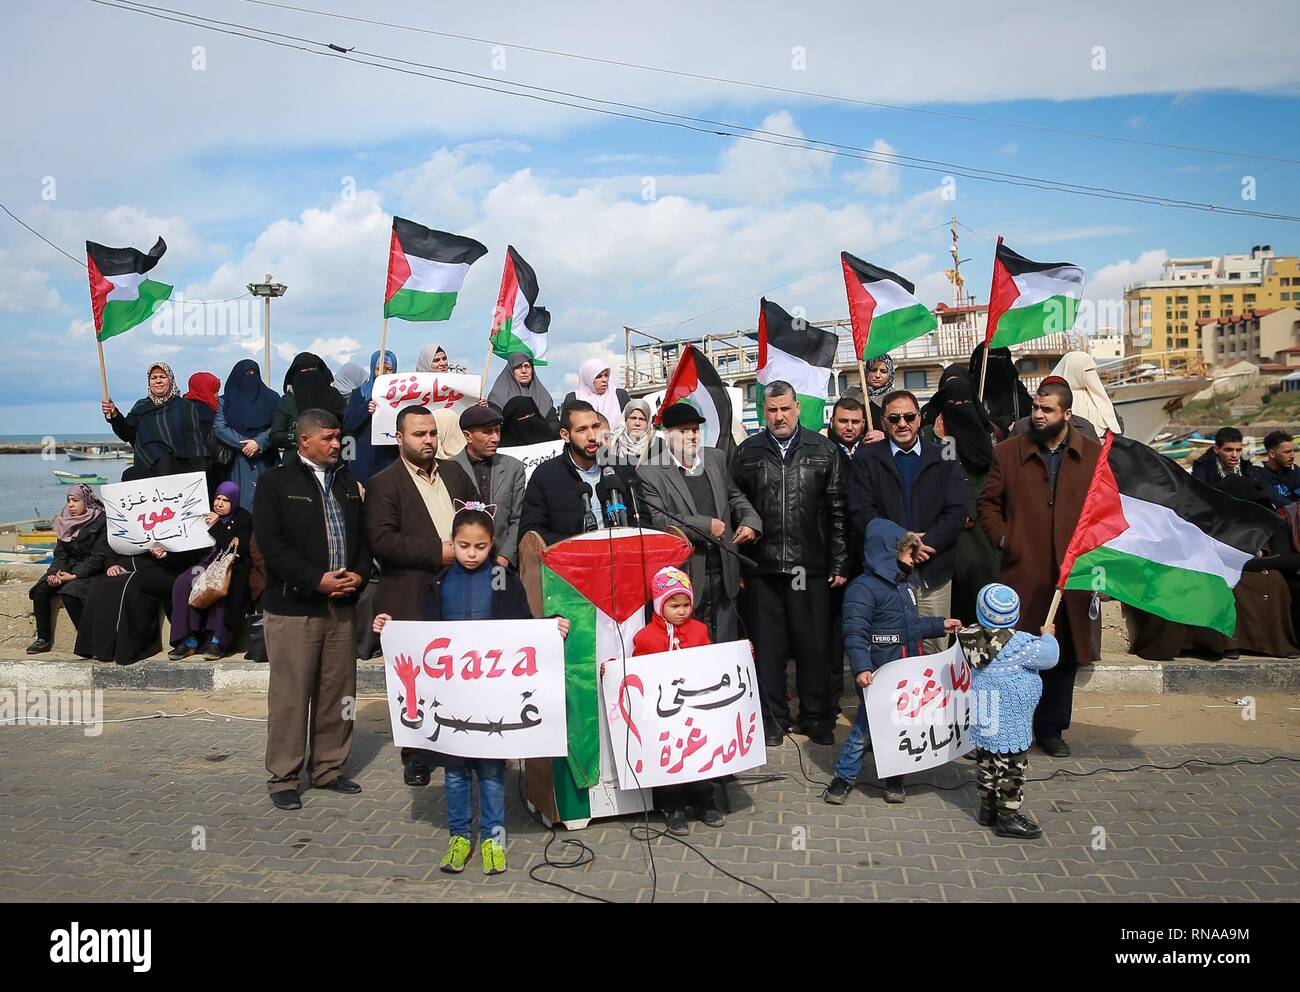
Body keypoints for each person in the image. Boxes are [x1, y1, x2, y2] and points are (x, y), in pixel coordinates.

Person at [372, 503, 570, 874]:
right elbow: (422, 634)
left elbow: (524, 628)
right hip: (451, 704)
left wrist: (549, 628)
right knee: (455, 772)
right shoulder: (439, 582)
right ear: (452, 543)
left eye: (480, 547)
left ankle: (494, 837)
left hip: (492, 702)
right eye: (464, 546)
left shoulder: (502, 579)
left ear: (492, 544)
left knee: (493, 772)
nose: (472, 554)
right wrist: (390, 626)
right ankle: (459, 837)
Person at [977, 380, 1102, 758]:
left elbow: (1104, 511)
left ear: (1067, 414)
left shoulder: (1094, 456)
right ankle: (1014, 726)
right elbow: (987, 504)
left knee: (1061, 654)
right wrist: (1005, 539)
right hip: (1023, 573)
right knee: (1017, 651)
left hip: (1071, 575)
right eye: (1035, 407)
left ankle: (1052, 729)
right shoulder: (1008, 452)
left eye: (1046, 410)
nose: (1037, 414)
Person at [254, 408, 370, 811]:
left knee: (337, 692)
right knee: (291, 694)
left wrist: (357, 573)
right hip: (294, 608)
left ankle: (328, 768)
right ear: (304, 440)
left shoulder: (348, 483)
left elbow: (363, 538)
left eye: (338, 438)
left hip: (341, 607)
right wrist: (314, 579)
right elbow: (271, 546)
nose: (337, 444)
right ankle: (284, 776)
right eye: (329, 438)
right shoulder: (275, 483)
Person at [730, 380, 849, 747]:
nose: (779, 416)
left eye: (785, 409)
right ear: (762, 412)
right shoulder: (748, 452)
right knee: (768, 647)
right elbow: (735, 507)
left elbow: (838, 512)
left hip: (807, 566)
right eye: (772, 410)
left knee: (812, 646)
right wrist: (740, 566)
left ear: (797, 408)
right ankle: (772, 718)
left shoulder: (824, 450)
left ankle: (816, 717)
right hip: (762, 567)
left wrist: (840, 562)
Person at [365, 405, 475, 782]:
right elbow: (382, 541)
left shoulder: (456, 473)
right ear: (399, 438)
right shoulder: (384, 482)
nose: (428, 440)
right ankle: (416, 753)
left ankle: (463, 742)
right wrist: (438, 552)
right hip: (410, 595)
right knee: (413, 677)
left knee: (457, 670)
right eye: (418, 434)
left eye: (431, 433)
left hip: (460, 591)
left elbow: (477, 517)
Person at [822, 520, 960, 806]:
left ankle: (894, 778)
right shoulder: (863, 589)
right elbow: (854, 632)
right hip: (878, 674)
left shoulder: (904, 585)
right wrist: (862, 667)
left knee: (901, 726)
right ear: (889, 551)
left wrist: (938, 625)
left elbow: (909, 629)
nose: (914, 558)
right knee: (865, 727)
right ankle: (843, 778)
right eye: (910, 552)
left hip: (904, 673)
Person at [849, 389, 967, 654]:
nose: (902, 423)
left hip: (933, 571)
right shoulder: (866, 459)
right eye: (894, 418)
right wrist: (903, 542)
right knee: (891, 652)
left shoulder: (944, 457)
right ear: (883, 423)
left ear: (920, 418)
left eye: (909, 416)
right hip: (887, 574)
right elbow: (861, 512)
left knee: (934, 651)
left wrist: (924, 543)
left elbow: (957, 511)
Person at [636, 404, 760, 642]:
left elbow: (734, 497)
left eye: (695, 430)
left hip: (724, 572)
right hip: (686, 576)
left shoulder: (715, 458)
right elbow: (661, 521)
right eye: (683, 431)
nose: (692, 436)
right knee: (693, 646)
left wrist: (750, 520)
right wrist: (706, 526)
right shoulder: (650, 472)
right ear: (667, 434)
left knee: (725, 643)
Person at [961, 583, 1059, 839]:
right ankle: (1008, 816)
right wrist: (1048, 635)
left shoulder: (969, 637)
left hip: (985, 715)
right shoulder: (1020, 644)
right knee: (1010, 769)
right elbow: (1050, 657)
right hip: (1010, 720)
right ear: (1015, 615)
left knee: (985, 762)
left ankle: (987, 809)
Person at [630, 567, 724, 834]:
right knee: (669, 758)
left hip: (695, 710)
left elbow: (714, 664)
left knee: (700, 755)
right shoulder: (646, 637)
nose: (682, 611)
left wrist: (742, 656)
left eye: (686, 605)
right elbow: (638, 673)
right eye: (674, 605)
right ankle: (672, 806)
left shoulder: (699, 631)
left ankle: (704, 801)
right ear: (660, 606)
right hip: (664, 714)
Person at [922, 373, 1001, 625]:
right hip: (943, 525)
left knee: (982, 587)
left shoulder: (989, 435)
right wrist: (940, 441)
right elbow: (933, 475)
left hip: (979, 527)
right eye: (952, 404)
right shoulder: (929, 436)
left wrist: (971, 508)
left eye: (964, 403)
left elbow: (992, 477)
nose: (959, 410)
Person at [520, 401, 643, 544]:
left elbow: (643, 519)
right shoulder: (544, 476)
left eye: (596, 427)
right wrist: (579, 545)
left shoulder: (622, 469)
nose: (592, 436)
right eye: (582, 430)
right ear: (565, 435)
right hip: (570, 562)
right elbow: (531, 534)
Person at [74, 542, 203, 665]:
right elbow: (111, 547)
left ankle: (130, 650)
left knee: (133, 583)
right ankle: (97, 648)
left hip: (166, 568)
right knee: (100, 583)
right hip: (128, 568)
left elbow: (190, 553)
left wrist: (166, 555)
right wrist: (113, 564)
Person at [167, 481, 253, 660]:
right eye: (217, 498)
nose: (219, 504)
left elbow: (238, 549)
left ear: (234, 501)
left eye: (225, 500)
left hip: (229, 567)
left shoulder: (244, 518)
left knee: (220, 587)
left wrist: (217, 526)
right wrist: (165, 551)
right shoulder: (203, 515)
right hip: (205, 564)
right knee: (183, 583)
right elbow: (189, 544)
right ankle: (188, 640)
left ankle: (218, 640)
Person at [26, 485, 109, 654]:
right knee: (41, 590)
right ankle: (43, 638)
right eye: (68, 500)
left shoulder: (101, 521)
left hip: (90, 571)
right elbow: (61, 555)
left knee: (71, 592)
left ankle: (88, 641)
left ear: (86, 501)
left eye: (75, 500)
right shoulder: (64, 520)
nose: (70, 505)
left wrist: (73, 576)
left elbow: (99, 557)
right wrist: (54, 575)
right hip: (67, 569)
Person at [101, 362, 209, 481]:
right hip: (148, 470)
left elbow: (194, 444)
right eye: (154, 378)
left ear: (171, 380)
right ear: (149, 382)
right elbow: (126, 433)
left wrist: (199, 476)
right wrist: (114, 415)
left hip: (180, 472)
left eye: (162, 377)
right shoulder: (141, 406)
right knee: (129, 475)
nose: (158, 381)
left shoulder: (185, 407)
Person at [450, 404, 526, 569]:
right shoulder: (449, 469)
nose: (495, 438)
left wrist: (505, 557)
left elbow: (517, 518)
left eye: (497, 431)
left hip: (501, 564)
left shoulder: (514, 468)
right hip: (459, 564)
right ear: (468, 436)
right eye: (487, 432)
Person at [212, 359, 280, 511]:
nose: (250, 377)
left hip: (266, 459)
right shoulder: (225, 401)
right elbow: (220, 427)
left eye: (253, 373)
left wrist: (259, 443)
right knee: (240, 508)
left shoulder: (272, 398)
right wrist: (246, 444)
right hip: (238, 461)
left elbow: (278, 424)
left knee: (268, 507)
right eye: (246, 374)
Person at [269, 353, 345, 457]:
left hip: (331, 462)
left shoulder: (333, 396)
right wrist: (300, 437)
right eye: (304, 371)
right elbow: (275, 436)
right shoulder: (288, 401)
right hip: (295, 464)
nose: (309, 374)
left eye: (313, 369)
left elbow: (347, 429)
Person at [342, 349, 399, 486]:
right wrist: (366, 409)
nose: (383, 372)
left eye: (388, 369)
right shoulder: (360, 394)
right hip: (364, 461)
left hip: (391, 459)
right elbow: (348, 424)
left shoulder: (400, 394)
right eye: (379, 368)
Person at [1048, 352, 1122, 435]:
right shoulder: (1051, 399)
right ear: (1074, 370)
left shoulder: (1099, 399)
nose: (1092, 374)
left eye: (1092, 370)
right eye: (1087, 371)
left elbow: (1117, 428)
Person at [488, 352, 558, 437]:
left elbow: (554, 425)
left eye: (527, 366)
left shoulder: (543, 397)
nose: (524, 371)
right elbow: (496, 427)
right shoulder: (497, 397)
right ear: (511, 371)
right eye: (518, 367)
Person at [969, 343, 1033, 435]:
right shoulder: (971, 392)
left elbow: (1030, 417)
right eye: (991, 357)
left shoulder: (1017, 390)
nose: (996, 362)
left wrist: (1018, 426)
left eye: (1000, 357)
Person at [563, 359, 630, 433]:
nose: (604, 380)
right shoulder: (573, 398)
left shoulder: (619, 395)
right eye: (599, 376)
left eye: (606, 375)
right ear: (587, 378)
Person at [1253, 431, 1300, 508]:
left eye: (1293, 451)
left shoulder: (1296, 471)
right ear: (1272, 454)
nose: (1292, 456)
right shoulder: (1257, 474)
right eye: (1287, 452)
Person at [605, 398, 654, 466]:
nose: (637, 423)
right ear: (625, 420)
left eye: (642, 419)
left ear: (648, 423)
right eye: (633, 418)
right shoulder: (613, 443)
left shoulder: (654, 444)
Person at [861, 355, 894, 435]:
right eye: (873, 370)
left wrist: (886, 436)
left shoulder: (896, 398)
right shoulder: (850, 396)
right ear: (866, 372)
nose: (877, 375)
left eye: (883, 371)